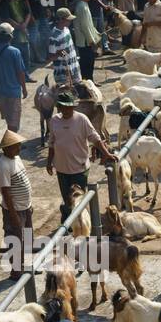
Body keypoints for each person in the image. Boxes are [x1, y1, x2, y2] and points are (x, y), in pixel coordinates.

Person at [46, 91, 116, 223]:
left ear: (73, 107)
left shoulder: (82, 119)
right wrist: (49, 162)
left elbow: (95, 138)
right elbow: (51, 143)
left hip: (79, 169)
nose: (67, 110)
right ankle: (67, 222)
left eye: (70, 107)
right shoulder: (54, 121)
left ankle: (81, 223)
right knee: (67, 198)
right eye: (64, 107)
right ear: (59, 107)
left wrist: (106, 154)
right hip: (61, 169)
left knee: (78, 199)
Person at [0, 130, 34, 276]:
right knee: (15, 240)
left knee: (27, 238)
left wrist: (29, 205)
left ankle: (25, 265)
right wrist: (13, 215)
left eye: (18, 145)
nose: (18, 148)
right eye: (15, 146)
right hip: (15, 209)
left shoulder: (16, 158)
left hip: (26, 206)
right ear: (6, 148)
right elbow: (5, 192)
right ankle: (16, 271)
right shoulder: (3, 165)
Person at [0, 24, 29, 134]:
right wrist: (24, 89)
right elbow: (20, 73)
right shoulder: (15, 51)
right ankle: (13, 144)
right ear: (10, 36)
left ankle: (11, 140)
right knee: (14, 121)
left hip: (0, 91)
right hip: (13, 91)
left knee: (8, 118)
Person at [70, 0, 103, 81]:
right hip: (85, 41)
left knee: (90, 62)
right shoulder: (81, 6)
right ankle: (87, 83)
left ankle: (90, 81)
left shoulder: (83, 4)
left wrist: (96, 34)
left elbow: (89, 24)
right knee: (87, 63)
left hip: (86, 40)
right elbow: (85, 27)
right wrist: (92, 41)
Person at [48, 7, 85, 91]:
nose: (70, 21)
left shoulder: (66, 30)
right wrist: (59, 53)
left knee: (78, 91)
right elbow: (51, 57)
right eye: (68, 19)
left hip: (74, 66)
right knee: (65, 94)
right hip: (63, 71)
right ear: (61, 19)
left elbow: (66, 49)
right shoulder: (54, 36)